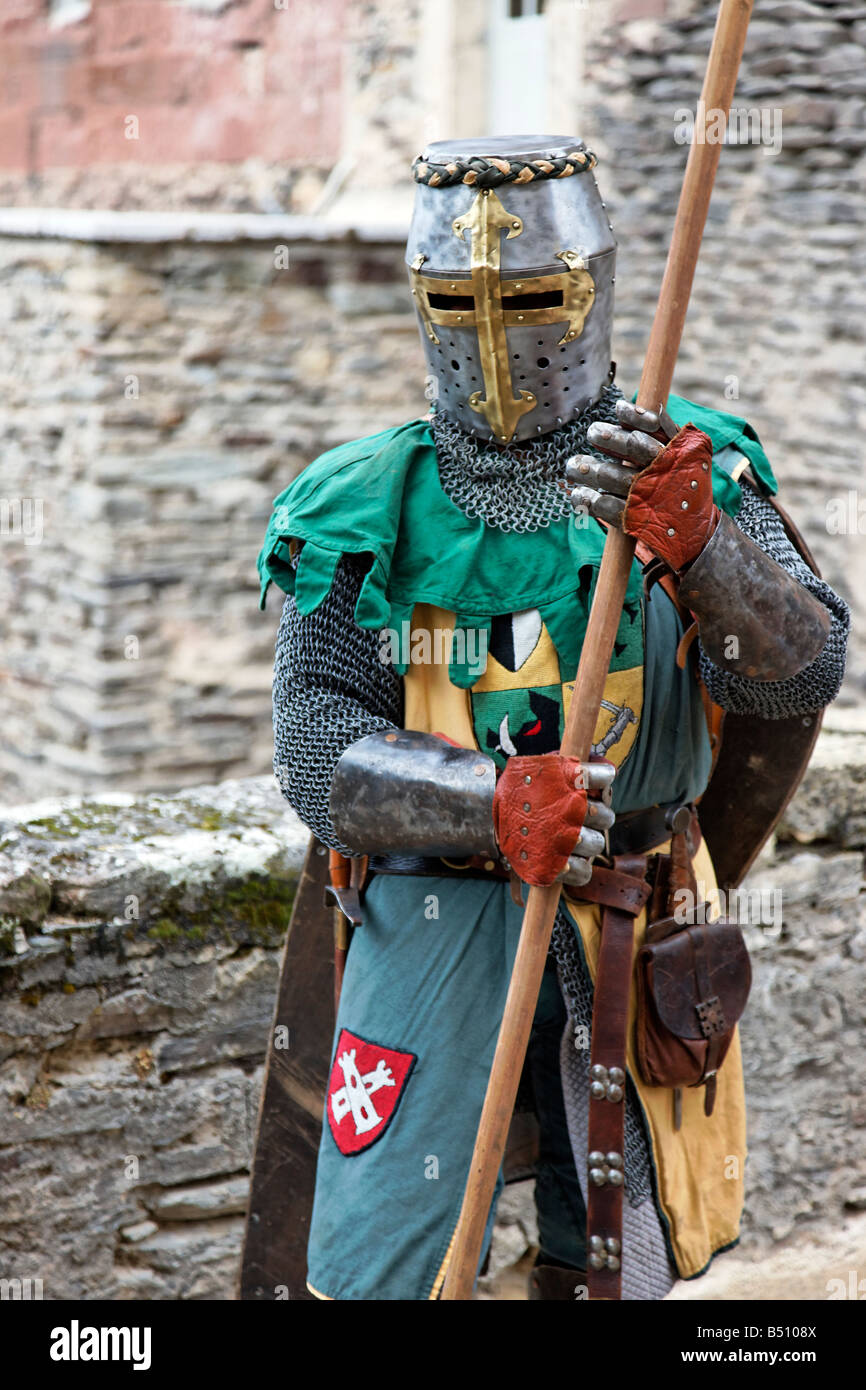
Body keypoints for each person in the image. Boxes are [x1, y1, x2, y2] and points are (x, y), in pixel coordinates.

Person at [257, 137, 849, 1300]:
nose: (497, 338)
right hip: (430, 920)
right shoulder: (365, 500)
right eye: (457, 301)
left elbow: (794, 678)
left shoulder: (686, 474)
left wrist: (705, 552)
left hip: (633, 919)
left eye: (528, 296)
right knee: (389, 1265)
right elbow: (313, 739)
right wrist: (487, 801)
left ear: (589, 288)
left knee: (616, 1265)